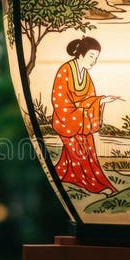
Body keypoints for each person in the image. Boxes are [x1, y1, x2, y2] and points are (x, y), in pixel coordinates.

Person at [51, 36, 121, 195]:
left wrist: (102, 100)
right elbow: (59, 100)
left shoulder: (85, 75)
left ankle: (67, 176)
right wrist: (80, 113)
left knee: (89, 149)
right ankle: (93, 185)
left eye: (96, 58)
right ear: (80, 55)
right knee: (78, 152)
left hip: (81, 121)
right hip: (66, 120)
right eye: (91, 57)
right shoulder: (65, 70)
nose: (94, 61)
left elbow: (90, 98)